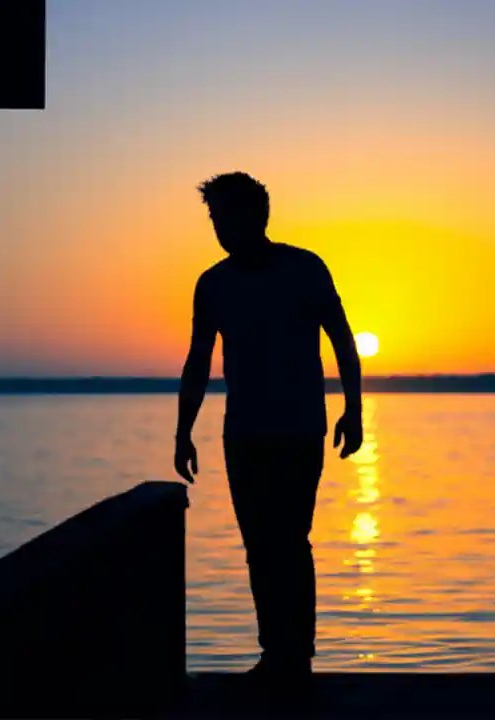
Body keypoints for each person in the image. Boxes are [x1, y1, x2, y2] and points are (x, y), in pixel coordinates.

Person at [173, 171, 363, 683]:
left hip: (300, 428)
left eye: (223, 217)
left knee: (290, 540)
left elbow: (343, 340)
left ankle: (295, 657)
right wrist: (182, 431)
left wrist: (355, 410)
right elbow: (198, 361)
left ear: (254, 216)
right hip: (244, 433)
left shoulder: (304, 269)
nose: (217, 229)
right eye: (212, 219)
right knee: (259, 543)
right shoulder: (212, 284)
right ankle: (275, 653)